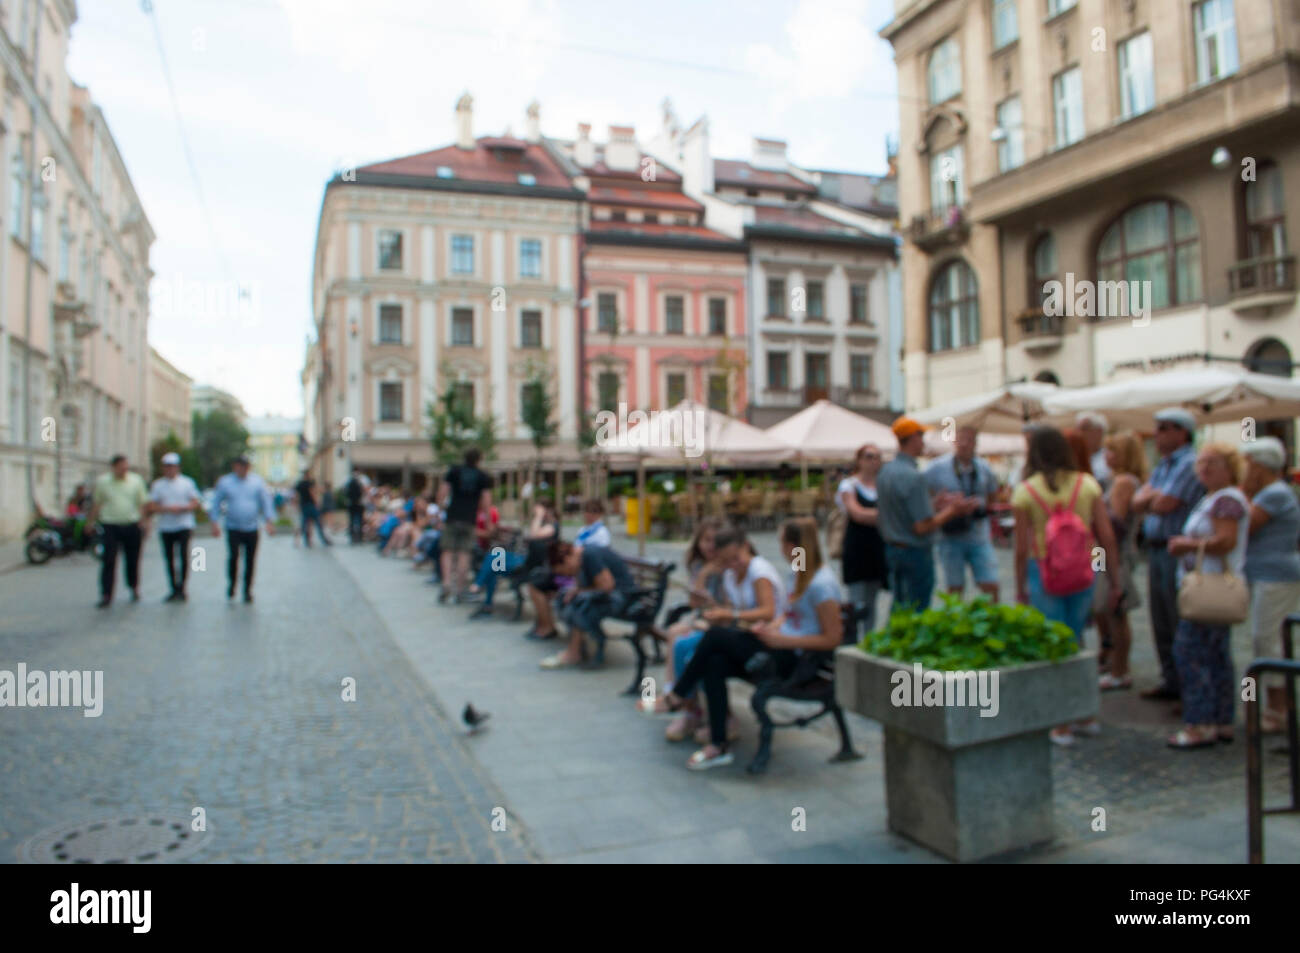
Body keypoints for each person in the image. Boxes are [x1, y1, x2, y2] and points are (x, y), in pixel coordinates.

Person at [657, 518, 844, 771]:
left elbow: (833, 638)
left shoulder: (820, 584)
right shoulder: (799, 572)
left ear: (791, 545)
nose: (779, 549)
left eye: (781, 543)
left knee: (715, 637)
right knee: (714, 662)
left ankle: (678, 695)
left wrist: (781, 638)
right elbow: (788, 616)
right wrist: (773, 627)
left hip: (796, 660)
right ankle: (718, 743)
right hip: (778, 646)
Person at [1012, 426, 1119, 745]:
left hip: (1043, 572)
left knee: (1052, 647)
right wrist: (1110, 576)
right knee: (1075, 641)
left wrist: (1019, 588)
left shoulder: (1026, 491)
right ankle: (1085, 714)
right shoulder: (1088, 485)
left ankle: (1060, 723)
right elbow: (1106, 537)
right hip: (1083, 571)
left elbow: (1020, 548)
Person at [639, 527, 784, 745]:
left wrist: (728, 615)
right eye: (727, 561)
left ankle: (681, 700)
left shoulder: (758, 570)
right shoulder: (729, 574)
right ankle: (694, 712)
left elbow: (768, 612)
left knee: (704, 648)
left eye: (736, 558)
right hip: (743, 633)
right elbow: (728, 609)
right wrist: (718, 612)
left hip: (765, 640)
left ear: (746, 546)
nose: (733, 565)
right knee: (686, 646)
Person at [1164, 444, 1249, 748]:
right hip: (1211, 586)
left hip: (1209, 588)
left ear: (1229, 466)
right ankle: (1221, 719)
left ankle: (1200, 723)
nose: (1204, 468)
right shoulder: (1215, 497)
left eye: (1213, 463)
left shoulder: (1226, 499)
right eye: (1201, 463)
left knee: (1191, 653)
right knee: (1216, 655)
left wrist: (1187, 545)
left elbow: (1226, 541)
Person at [1133, 408, 1204, 702]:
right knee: (1160, 617)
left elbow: (1164, 503)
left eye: (1164, 428)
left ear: (1182, 432)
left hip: (1177, 550)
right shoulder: (1163, 465)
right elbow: (1140, 502)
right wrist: (1150, 499)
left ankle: (1188, 687)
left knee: (1177, 616)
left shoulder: (1188, 463)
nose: (1158, 434)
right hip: (1156, 548)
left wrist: (1149, 498)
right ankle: (1170, 679)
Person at [876, 417, 975, 613]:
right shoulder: (913, 475)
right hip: (914, 552)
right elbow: (922, 526)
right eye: (922, 437)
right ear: (913, 438)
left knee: (899, 605)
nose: (924, 443)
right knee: (917, 609)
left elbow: (902, 510)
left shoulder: (886, 471)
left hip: (892, 548)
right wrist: (953, 511)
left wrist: (933, 504)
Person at [1240, 437, 1300, 734]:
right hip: (1269, 574)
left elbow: (1244, 525)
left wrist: (1243, 492)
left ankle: (1277, 710)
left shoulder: (1272, 494)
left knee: (1269, 640)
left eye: (1248, 465)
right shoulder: (1274, 492)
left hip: (1276, 576)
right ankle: (1275, 707)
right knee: (1265, 638)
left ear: (1259, 466)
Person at [1095, 431, 1147, 690]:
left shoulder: (1124, 482)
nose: (1106, 455)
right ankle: (1117, 666)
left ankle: (1120, 670)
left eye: (1111, 450)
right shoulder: (1120, 480)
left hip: (1115, 553)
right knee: (1111, 609)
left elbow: (1114, 523)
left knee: (1116, 610)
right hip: (1112, 552)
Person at [924, 426, 1000, 602]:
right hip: (950, 535)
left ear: (975, 443)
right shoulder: (937, 468)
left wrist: (978, 504)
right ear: (954, 441)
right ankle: (957, 624)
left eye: (969, 440)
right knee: (955, 586)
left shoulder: (983, 468)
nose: (964, 444)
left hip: (978, 533)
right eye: (960, 439)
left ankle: (992, 622)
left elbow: (992, 496)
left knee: (990, 583)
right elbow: (923, 495)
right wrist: (941, 504)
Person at [539, 539, 637, 670]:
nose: (567, 575)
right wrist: (575, 591)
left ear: (568, 560)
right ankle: (576, 649)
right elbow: (586, 586)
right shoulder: (581, 557)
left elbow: (607, 586)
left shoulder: (590, 555)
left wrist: (578, 592)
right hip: (609, 597)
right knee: (567, 599)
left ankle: (574, 653)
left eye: (564, 571)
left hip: (623, 598)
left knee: (581, 604)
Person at [208, 454, 276, 603]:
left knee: (250, 560)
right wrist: (214, 523)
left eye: (246, 465)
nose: (243, 468)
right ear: (235, 466)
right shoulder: (226, 482)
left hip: (251, 527)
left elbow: (265, 502)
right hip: (233, 527)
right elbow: (216, 502)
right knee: (233, 557)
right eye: (240, 465)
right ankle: (232, 584)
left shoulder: (257, 482)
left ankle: (247, 590)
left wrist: (269, 521)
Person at [87, 454, 149, 608]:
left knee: (133, 560)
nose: (124, 469)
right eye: (121, 466)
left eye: (126, 466)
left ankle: (133, 587)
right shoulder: (103, 482)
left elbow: (142, 503)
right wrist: (90, 522)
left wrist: (145, 522)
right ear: (114, 467)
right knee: (108, 560)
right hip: (110, 525)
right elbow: (97, 503)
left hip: (131, 524)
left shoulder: (135, 481)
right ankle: (106, 593)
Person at [839, 444, 888, 636]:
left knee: (872, 601)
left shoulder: (882, 485)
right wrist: (886, 516)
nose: (873, 461)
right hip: (857, 551)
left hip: (877, 550)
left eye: (877, 457)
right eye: (869, 456)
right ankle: (855, 639)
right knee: (857, 601)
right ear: (859, 460)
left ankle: (869, 638)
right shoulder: (849, 485)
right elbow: (856, 514)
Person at [438, 447, 493, 603]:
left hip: (452, 517)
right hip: (469, 519)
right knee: (464, 555)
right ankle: (460, 590)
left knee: (447, 551)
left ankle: (446, 583)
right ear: (479, 459)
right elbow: (487, 501)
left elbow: (442, 492)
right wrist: (488, 522)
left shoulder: (454, 471)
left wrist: (440, 509)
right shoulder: (483, 476)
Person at [147, 452, 201, 602]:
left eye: (172, 467)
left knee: (183, 556)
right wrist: (168, 509)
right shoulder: (158, 485)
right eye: (167, 467)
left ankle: (182, 587)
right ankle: (173, 588)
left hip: (183, 524)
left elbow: (195, 502)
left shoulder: (187, 483)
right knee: (169, 558)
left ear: (177, 467)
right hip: (166, 526)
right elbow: (152, 505)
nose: (169, 469)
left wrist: (183, 508)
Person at [1076, 412, 1111, 491]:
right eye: (1077, 429)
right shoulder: (1073, 456)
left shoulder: (1110, 457)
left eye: (1084, 428)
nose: (1079, 433)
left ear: (1099, 431)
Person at [295, 471, 331, 547]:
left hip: (303, 506)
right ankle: (324, 540)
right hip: (310, 505)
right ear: (308, 475)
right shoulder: (309, 483)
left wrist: (298, 505)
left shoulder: (300, 484)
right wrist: (316, 503)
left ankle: (303, 540)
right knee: (318, 523)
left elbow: (297, 495)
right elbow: (312, 493)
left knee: (304, 524)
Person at [344, 473, 365, 543]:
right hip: (358, 505)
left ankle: (353, 537)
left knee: (352, 522)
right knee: (359, 522)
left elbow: (346, 494)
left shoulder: (349, 485)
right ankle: (359, 537)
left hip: (352, 505)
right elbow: (361, 494)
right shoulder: (359, 484)